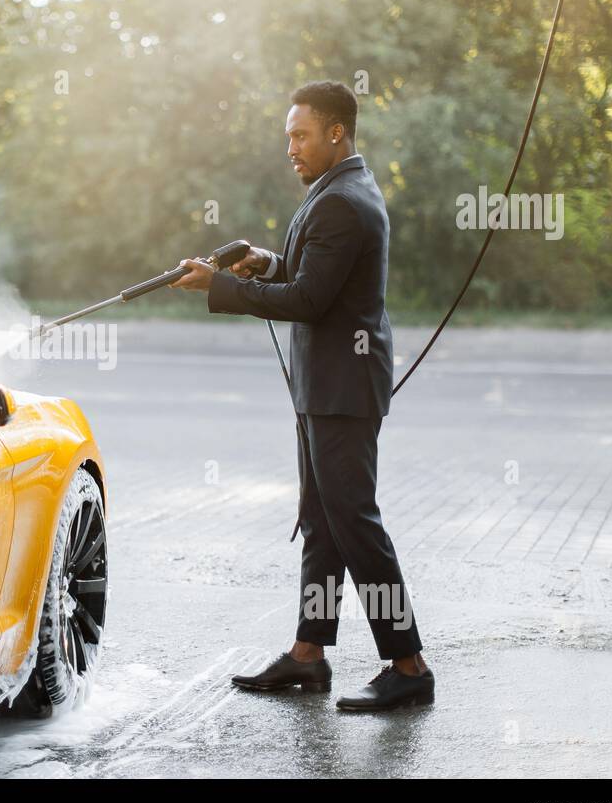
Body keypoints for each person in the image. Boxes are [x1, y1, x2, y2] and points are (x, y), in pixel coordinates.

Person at [170, 80, 433, 710]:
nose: (290, 147)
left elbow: (311, 301)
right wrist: (264, 260)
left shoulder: (343, 201)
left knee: (355, 527)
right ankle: (309, 655)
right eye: (288, 135)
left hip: (343, 391)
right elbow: (314, 275)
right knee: (320, 524)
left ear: (336, 132)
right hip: (326, 389)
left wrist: (221, 288)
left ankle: (409, 665)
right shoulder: (336, 192)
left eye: (300, 135)